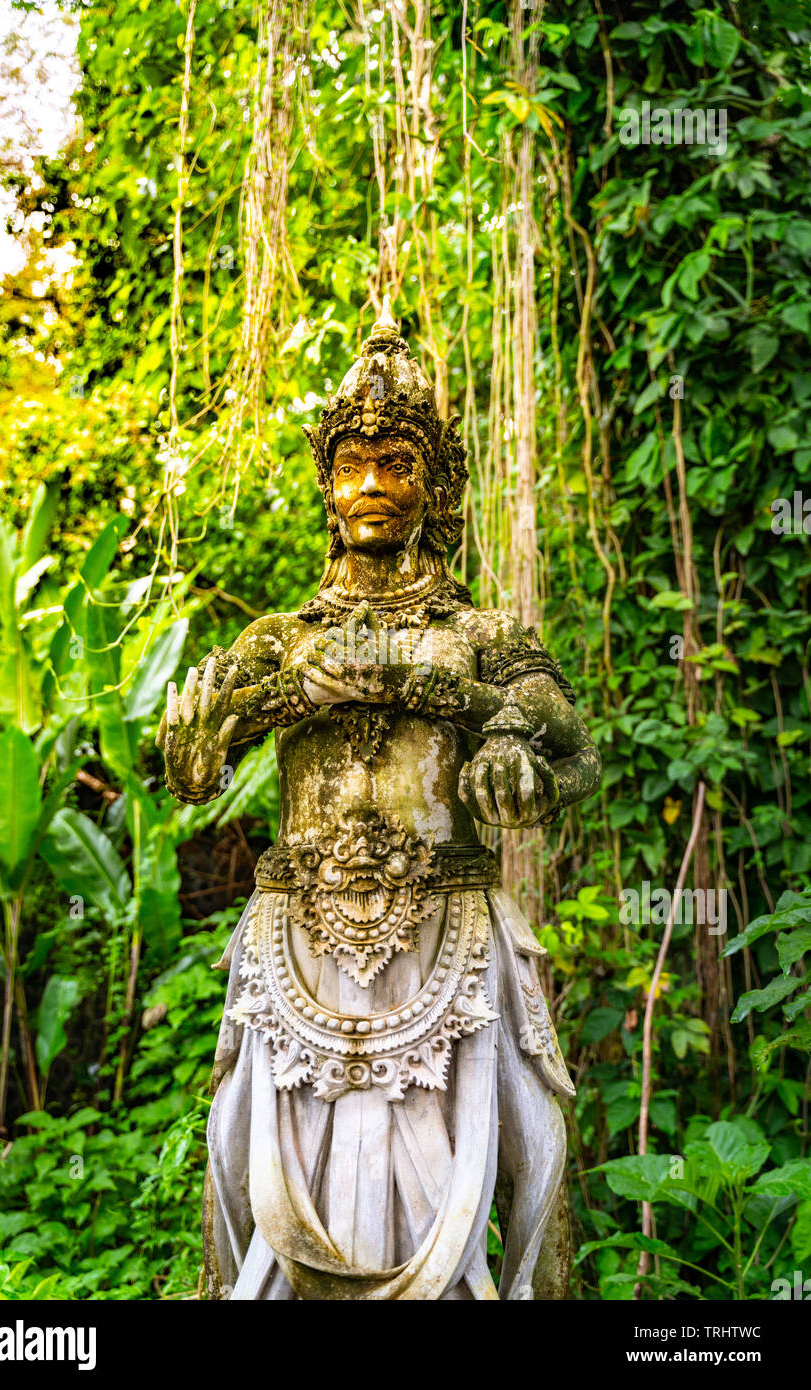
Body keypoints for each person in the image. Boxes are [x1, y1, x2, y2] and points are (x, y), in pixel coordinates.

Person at [157, 298, 601, 1300]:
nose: (369, 485)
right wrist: (203, 741)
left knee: (524, 1148)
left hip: (447, 935)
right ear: (323, 485)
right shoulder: (278, 640)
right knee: (245, 1166)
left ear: (429, 480)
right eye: (350, 463)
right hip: (295, 946)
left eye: (393, 463)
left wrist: (498, 740)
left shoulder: (480, 633)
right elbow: (194, 773)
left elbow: (572, 755)